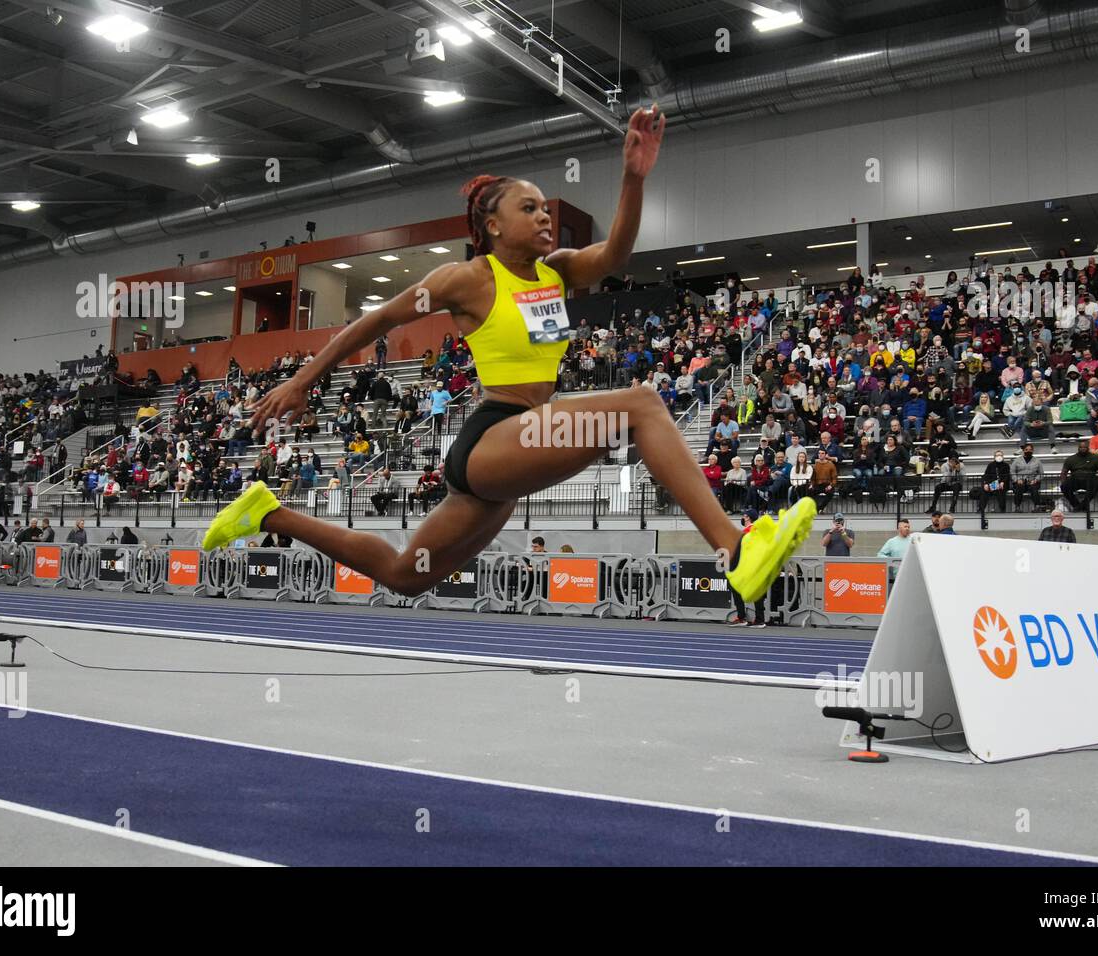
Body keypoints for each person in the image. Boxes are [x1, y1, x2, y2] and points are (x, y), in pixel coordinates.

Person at [201, 107, 816, 606]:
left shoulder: (557, 272)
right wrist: (304, 380)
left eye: (548, 208)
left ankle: (268, 515)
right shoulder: (466, 279)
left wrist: (633, 177)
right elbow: (375, 321)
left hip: (509, 457)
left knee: (405, 572)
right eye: (530, 208)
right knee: (645, 405)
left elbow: (618, 255)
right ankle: (736, 551)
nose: (545, 216)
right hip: (492, 436)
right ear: (491, 225)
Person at [728, 513, 766, 628]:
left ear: (748, 517)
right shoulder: (748, 530)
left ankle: (757, 619)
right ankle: (743, 617)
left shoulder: (752, 530)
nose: (742, 517)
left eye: (744, 515)